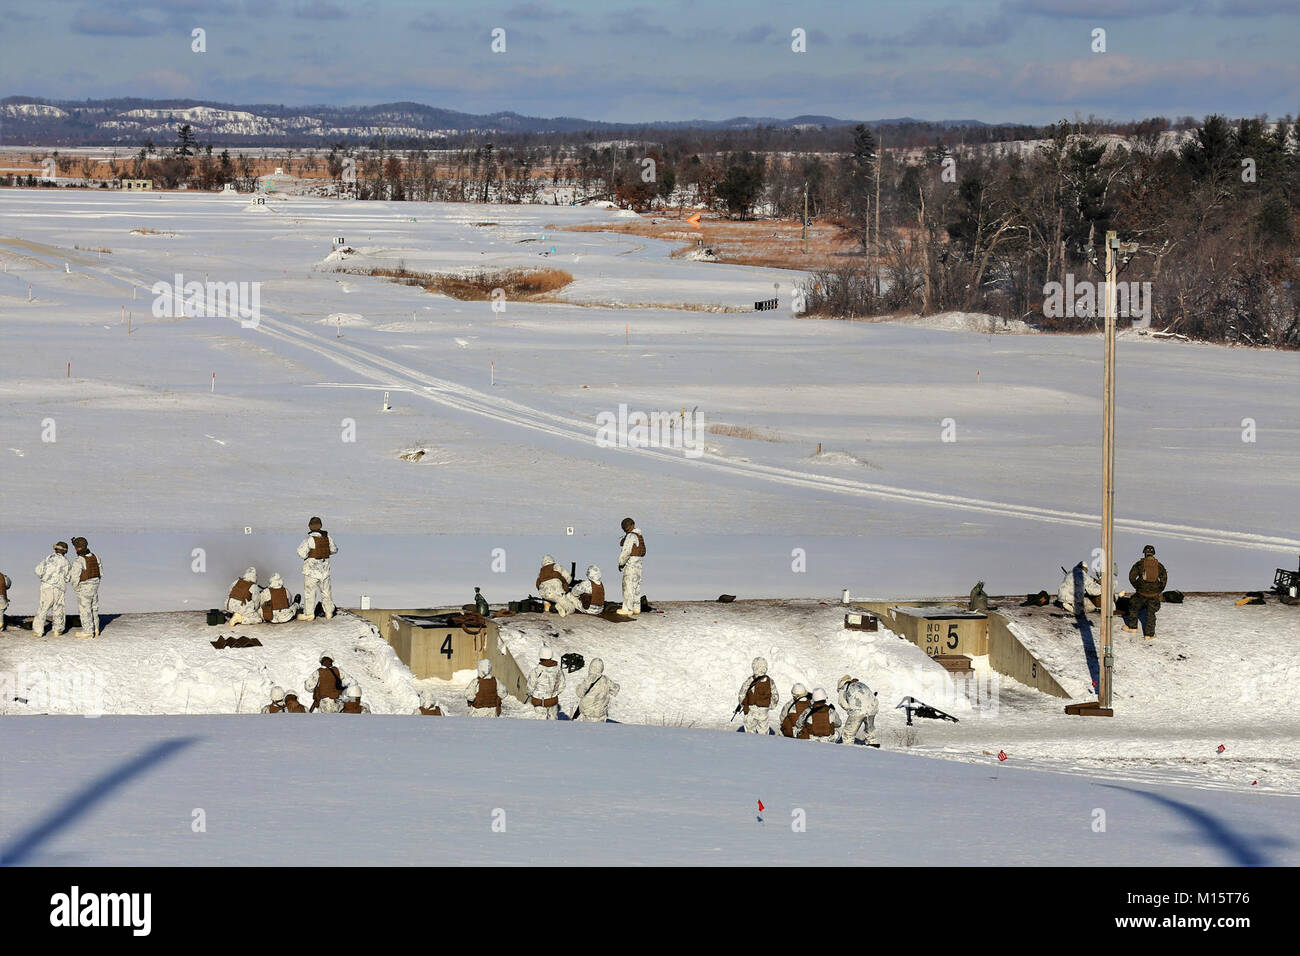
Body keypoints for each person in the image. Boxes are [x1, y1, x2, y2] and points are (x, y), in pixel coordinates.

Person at [296, 516, 338, 621]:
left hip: (311, 571)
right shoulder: (328, 538)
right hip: (324, 570)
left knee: (310, 593)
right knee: (326, 592)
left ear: (310, 527)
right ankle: (328, 612)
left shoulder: (308, 540)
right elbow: (334, 550)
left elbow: (301, 553)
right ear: (321, 526)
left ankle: (309, 614)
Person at [1124, 545, 1168, 640]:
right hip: (1154, 594)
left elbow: (1131, 577)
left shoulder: (1139, 564)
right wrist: (1158, 590)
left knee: (1133, 606)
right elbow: (1164, 579)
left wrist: (1138, 587)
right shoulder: (1159, 565)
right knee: (1151, 613)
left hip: (1141, 593)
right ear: (1153, 553)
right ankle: (1149, 635)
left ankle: (1132, 627)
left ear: (1144, 553)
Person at [32, 541, 72, 637]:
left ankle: (38, 631)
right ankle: (58, 630)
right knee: (59, 608)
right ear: (65, 551)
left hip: (46, 586)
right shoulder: (66, 562)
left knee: (43, 608)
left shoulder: (48, 558)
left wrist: (44, 577)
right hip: (59, 588)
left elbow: (37, 570)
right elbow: (68, 578)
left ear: (56, 549)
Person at [67, 537, 103, 638]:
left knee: (85, 609)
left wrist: (76, 588)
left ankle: (88, 631)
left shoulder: (79, 560)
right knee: (94, 608)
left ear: (77, 548)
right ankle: (96, 629)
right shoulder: (96, 557)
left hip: (84, 587)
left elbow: (74, 578)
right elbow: (101, 573)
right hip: (95, 586)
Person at [736, 657, 778, 735]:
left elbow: (742, 693)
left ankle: (749, 745)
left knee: (749, 730)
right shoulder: (770, 681)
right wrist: (770, 706)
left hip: (751, 710)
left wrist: (743, 704)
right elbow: (775, 696)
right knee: (763, 730)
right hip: (763, 711)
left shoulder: (750, 680)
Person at [837, 674, 880, 747]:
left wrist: (849, 709)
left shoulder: (844, 688)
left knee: (848, 732)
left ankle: (847, 748)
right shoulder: (861, 684)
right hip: (871, 710)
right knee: (870, 730)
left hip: (857, 711)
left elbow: (841, 702)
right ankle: (873, 745)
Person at [572, 658, 619, 722]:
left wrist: (578, 687)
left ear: (591, 667)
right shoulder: (606, 680)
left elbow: (579, 693)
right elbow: (615, 690)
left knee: (588, 731)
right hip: (601, 714)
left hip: (588, 714)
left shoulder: (589, 679)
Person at [616, 517, 646, 616]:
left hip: (631, 566)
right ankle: (636, 608)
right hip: (639, 565)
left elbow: (626, 552)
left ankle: (627, 609)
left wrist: (621, 563)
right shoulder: (639, 535)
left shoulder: (630, 536)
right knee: (636, 588)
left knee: (628, 587)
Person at [526, 644, 565, 719]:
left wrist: (532, 693)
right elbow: (562, 686)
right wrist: (554, 693)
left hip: (539, 701)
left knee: (540, 725)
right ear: (551, 656)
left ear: (540, 656)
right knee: (553, 722)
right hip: (552, 700)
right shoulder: (558, 671)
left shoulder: (536, 671)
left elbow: (530, 687)